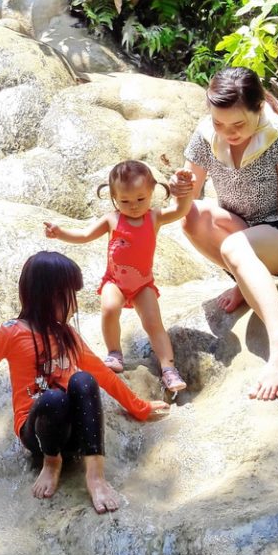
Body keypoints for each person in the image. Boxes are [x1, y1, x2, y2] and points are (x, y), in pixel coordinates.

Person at [0, 251, 168, 513]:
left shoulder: (68, 336)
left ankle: (95, 476)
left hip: (77, 434)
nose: (75, 306)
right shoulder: (12, 333)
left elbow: (102, 374)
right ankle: (51, 463)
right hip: (38, 434)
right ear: (50, 297)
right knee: (53, 398)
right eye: (71, 296)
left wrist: (139, 407)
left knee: (84, 379)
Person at [174, 66, 278, 401]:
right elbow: (186, 199)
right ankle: (243, 277)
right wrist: (177, 190)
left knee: (235, 246)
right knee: (192, 216)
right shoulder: (207, 134)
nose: (228, 132)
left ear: (259, 108)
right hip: (242, 228)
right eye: (220, 123)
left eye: (238, 124)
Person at [44, 160, 194, 396]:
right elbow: (84, 235)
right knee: (110, 309)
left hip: (143, 284)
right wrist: (60, 233)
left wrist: (185, 191)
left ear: (152, 192)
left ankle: (169, 369)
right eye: (124, 201)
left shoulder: (154, 217)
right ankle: (114, 352)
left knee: (154, 323)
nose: (133, 206)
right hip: (114, 281)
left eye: (140, 199)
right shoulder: (113, 220)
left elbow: (180, 210)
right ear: (114, 197)